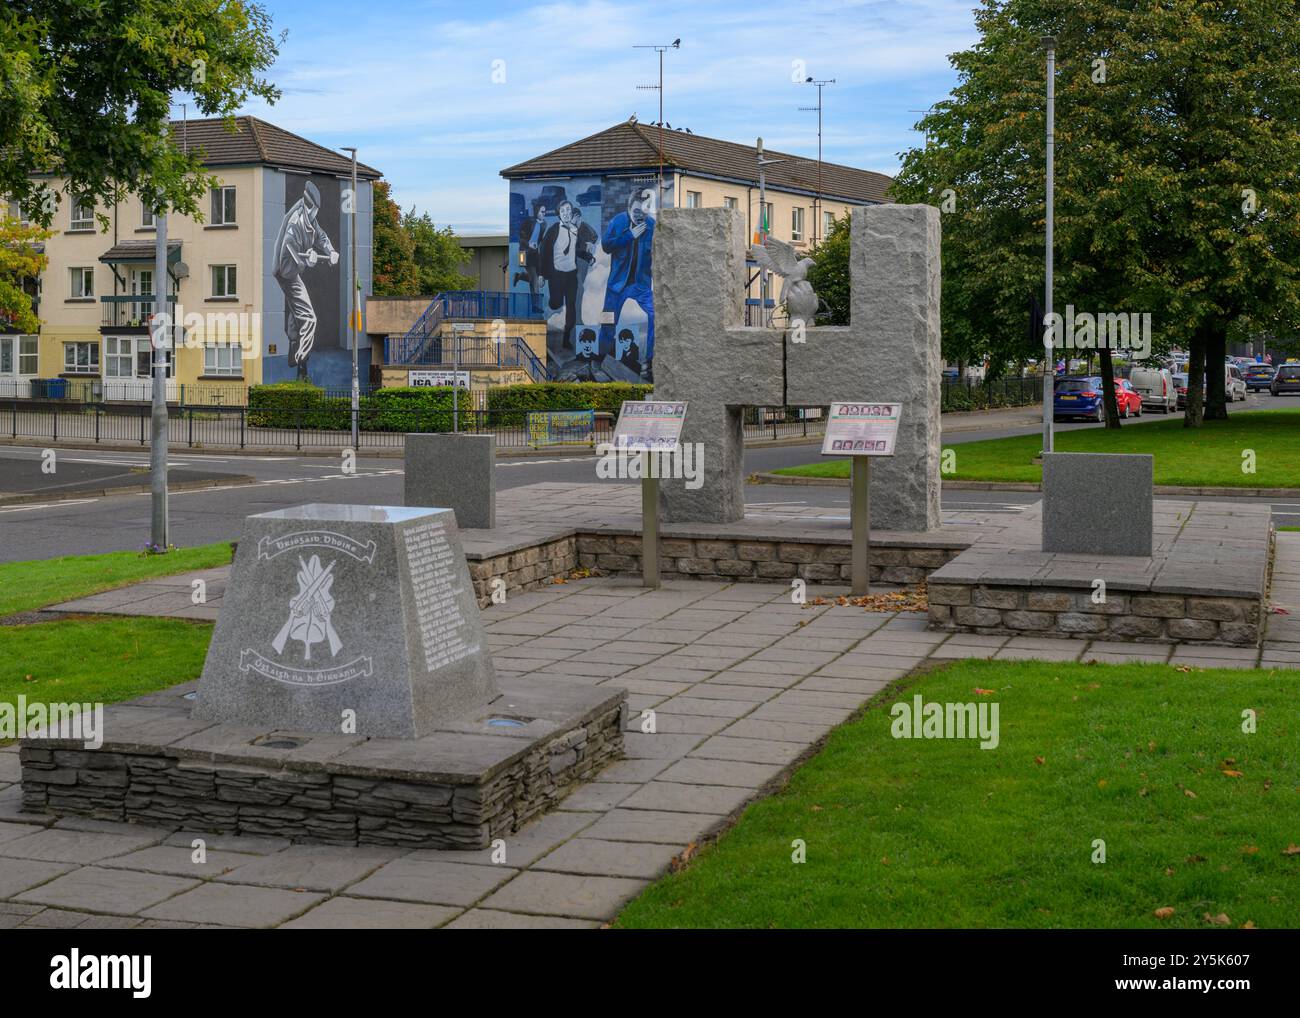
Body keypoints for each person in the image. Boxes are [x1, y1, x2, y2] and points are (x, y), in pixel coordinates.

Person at [272, 180, 338, 380]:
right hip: (286, 272)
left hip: (293, 270)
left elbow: (321, 236)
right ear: (311, 207)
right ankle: (302, 359)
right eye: (316, 210)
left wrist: (331, 250)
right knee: (309, 318)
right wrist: (306, 258)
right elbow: (290, 251)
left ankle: (294, 352)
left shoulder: (309, 218)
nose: (316, 214)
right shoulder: (295, 223)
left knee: (296, 313)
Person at [600, 189, 655, 362]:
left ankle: (651, 360)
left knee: (657, 314)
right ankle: (601, 358)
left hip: (641, 284)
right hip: (617, 284)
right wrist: (629, 236)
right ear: (629, 208)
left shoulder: (652, 226)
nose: (640, 216)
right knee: (608, 321)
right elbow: (606, 246)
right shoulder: (618, 222)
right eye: (636, 211)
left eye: (644, 212)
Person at [540, 200, 581, 349]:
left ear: (571, 212)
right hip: (556, 275)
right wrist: (541, 275)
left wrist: (589, 257)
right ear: (559, 214)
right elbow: (543, 251)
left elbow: (578, 249)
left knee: (571, 305)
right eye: (563, 211)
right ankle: (553, 303)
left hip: (571, 276)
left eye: (568, 211)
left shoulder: (575, 230)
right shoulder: (553, 230)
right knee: (556, 303)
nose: (566, 214)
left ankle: (566, 338)